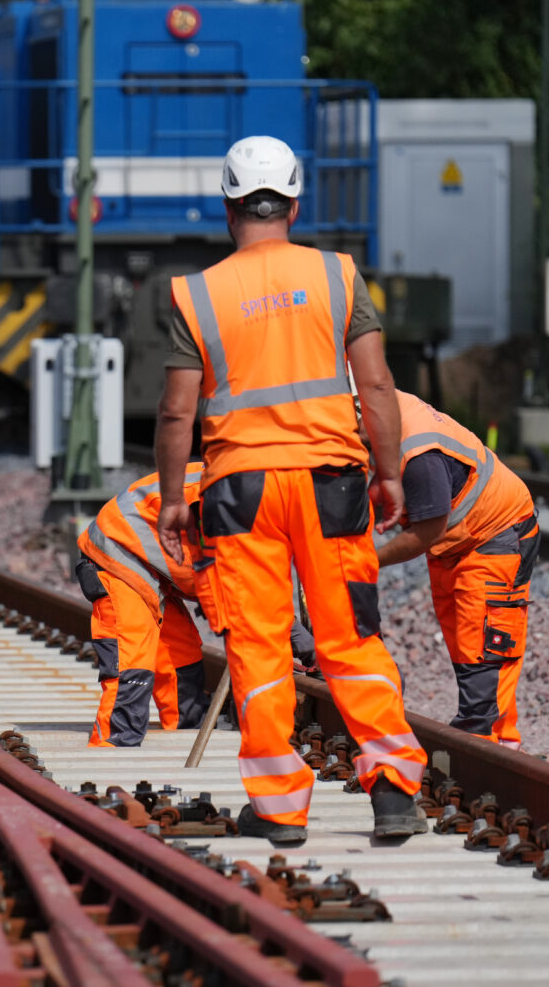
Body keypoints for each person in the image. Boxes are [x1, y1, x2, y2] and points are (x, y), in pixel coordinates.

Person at [154, 135, 427, 844]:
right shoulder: (338, 276)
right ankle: (395, 789)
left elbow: (178, 410)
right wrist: (391, 470)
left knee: (261, 644)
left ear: (229, 207)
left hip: (239, 491)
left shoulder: (199, 292)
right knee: (350, 636)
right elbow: (374, 383)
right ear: (294, 205)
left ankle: (278, 809)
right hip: (332, 484)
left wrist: (175, 498)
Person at [376, 392, 539, 748]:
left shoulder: (419, 456)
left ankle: (482, 738)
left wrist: (369, 561)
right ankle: (497, 738)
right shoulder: (378, 406)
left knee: (482, 641)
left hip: (495, 532)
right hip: (456, 539)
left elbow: (424, 532)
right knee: (465, 637)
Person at [75, 468, 217, 746]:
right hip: (117, 556)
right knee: (132, 661)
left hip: (153, 566)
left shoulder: (253, 482)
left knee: (182, 659)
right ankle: (113, 751)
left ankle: (183, 740)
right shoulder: (233, 489)